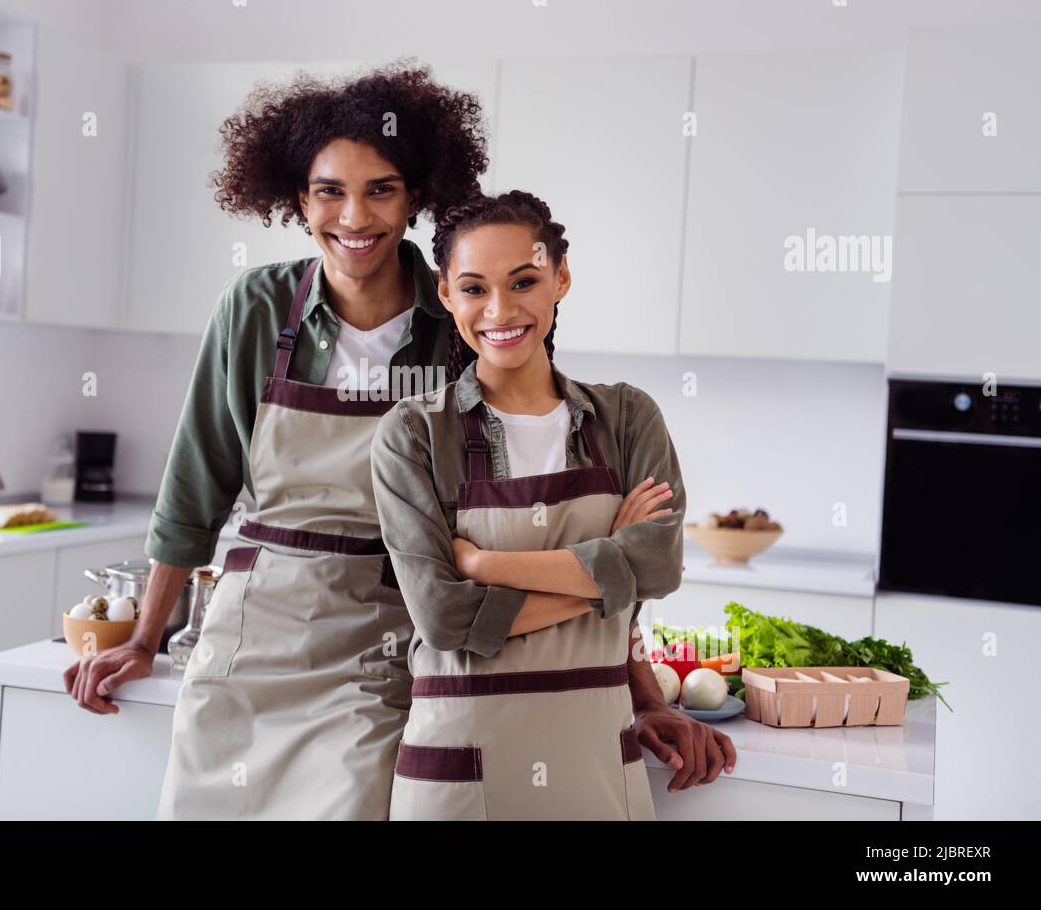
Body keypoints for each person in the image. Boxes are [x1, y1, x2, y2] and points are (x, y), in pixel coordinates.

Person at [63, 62, 493, 819]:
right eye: (329, 191)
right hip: (251, 636)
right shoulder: (256, 307)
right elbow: (195, 487)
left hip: (383, 644)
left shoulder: (456, 321)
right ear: (299, 199)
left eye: (380, 190)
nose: (353, 217)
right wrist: (143, 638)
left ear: (417, 198)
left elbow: (508, 503)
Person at [370, 190, 736, 820]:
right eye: (475, 288)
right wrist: (609, 575)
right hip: (459, 774)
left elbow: (659, 568)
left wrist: (485, 568)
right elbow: (445, 619)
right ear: (446, 295)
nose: (501, 310)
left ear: (561, 277)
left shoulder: (625, 418)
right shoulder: (413, 435)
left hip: (596, 764)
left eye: (524, 281)